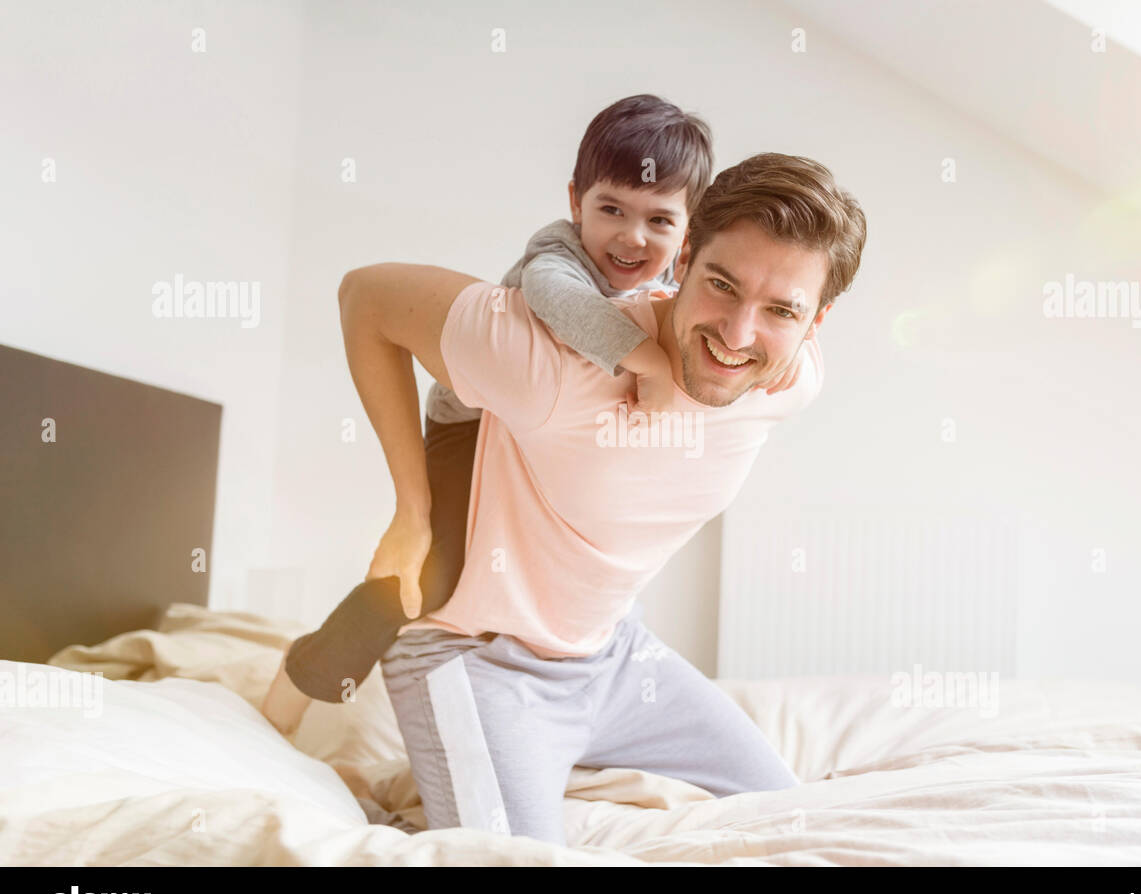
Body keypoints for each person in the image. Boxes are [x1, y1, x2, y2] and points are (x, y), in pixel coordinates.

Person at [323, 152, 863, 846]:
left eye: (781, 310)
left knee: (799, 823)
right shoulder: (550, 366)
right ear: (686, 255)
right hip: (478, 655)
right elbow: (364, 297)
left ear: (816, 321)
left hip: (613, 655)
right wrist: (412, 506)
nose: (737, 334)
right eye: (722, 286)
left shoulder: (793, 378)